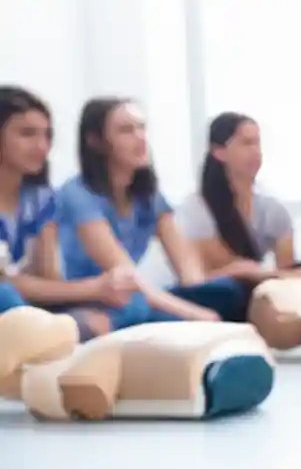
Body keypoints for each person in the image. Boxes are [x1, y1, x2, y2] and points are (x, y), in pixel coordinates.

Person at [56, 97, 250, 324]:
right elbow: (127, 276)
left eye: (141, 128)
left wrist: (205, 301)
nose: (140, 137)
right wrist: (195, 314)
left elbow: (189, 271)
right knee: (140, 308)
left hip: (136, 294)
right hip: (99, 301)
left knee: (228, 292)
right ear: (96, 141)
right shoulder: (78, 194)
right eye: (126, 130)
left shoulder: (148, 195)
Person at [0, 86, 147, 339]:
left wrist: (102, 290)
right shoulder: (75, 193)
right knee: (6, 296)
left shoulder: (41, 199)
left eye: (47, 135)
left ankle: (59, 334)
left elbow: (48, 278)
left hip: (30, 309)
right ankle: (60, 334)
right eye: (27, 134)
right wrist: (93, 288)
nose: (41, 146)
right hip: (10, 305)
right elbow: (5, 284)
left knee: (132, 302)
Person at [176, 112, 301, 294]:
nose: (255, 151)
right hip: (211, 294)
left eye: (257, 143)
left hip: (255, 287)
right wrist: (293, 275)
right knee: (230, 290)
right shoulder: (197, 208)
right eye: (246, 143)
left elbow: (285, 268)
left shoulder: (272, 209)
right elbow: (215, 274)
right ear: (219, 152)